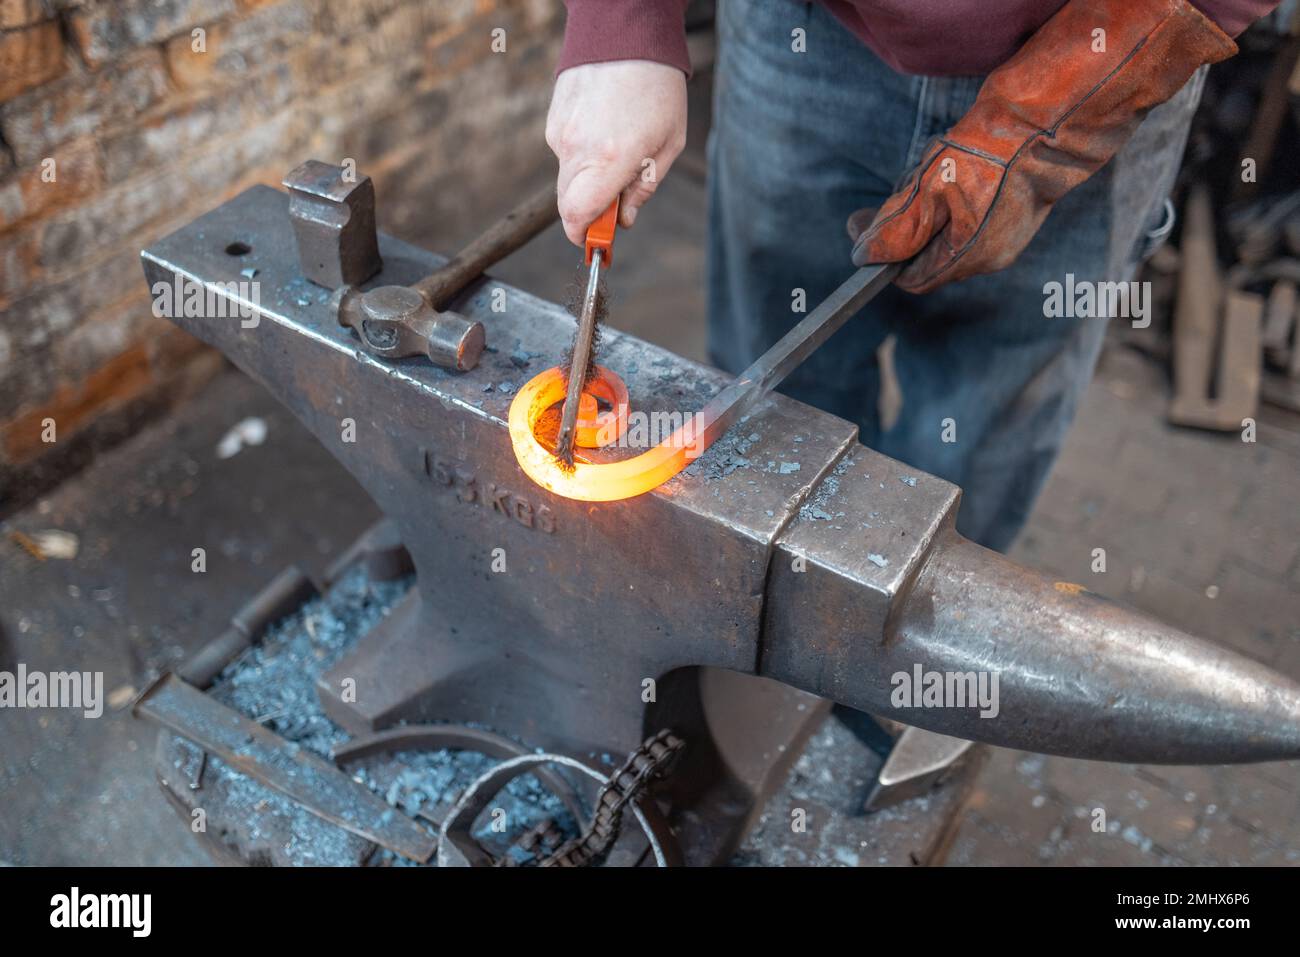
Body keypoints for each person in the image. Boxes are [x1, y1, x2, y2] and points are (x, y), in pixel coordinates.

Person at [544, 0, 1275, 550]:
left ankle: (898, 681)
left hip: (1108, 62)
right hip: (799, 37)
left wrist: (1065, 110)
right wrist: (623, 28)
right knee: (767, 419)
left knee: (970, 457)